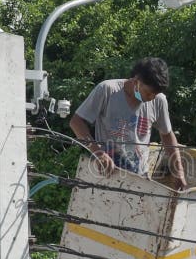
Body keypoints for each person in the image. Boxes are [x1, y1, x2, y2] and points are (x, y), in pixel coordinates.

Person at [69, 57, 187, 190]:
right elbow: (76, 122)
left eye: (155, 94)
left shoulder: (159, 101)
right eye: (148, 93)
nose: (151, 98)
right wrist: (98, 153)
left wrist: (179, 171)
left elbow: (166, 135)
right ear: (136, 81)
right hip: (107, 173)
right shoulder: (107, 90)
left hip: (139, 176)